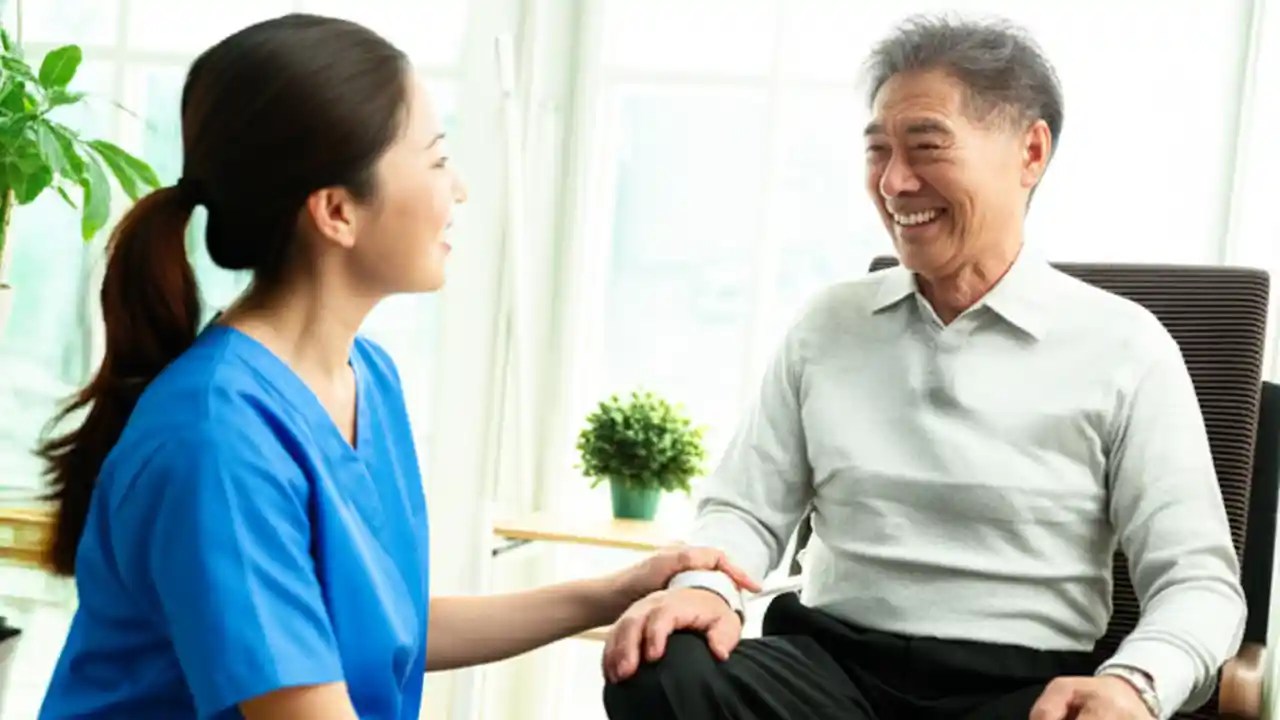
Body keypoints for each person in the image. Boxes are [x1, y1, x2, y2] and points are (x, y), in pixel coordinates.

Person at [34, 14, 758, 720]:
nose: (459, 190)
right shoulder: (217, 438)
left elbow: (383, 636)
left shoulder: (365, 376)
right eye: (438, 159)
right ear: (337, 211)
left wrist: (613, 591)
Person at [601, 14, 1245, 720]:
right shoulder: (828, 325)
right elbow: (745, 512)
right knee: (660, 665)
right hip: (827, 674)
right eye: (878, 150)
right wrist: (705, 588)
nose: (896, 182)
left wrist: (1134, 685)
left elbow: (1198, 582)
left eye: (927, 146)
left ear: (1030, 152)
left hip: (1017, 692)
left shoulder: (1127, 347)